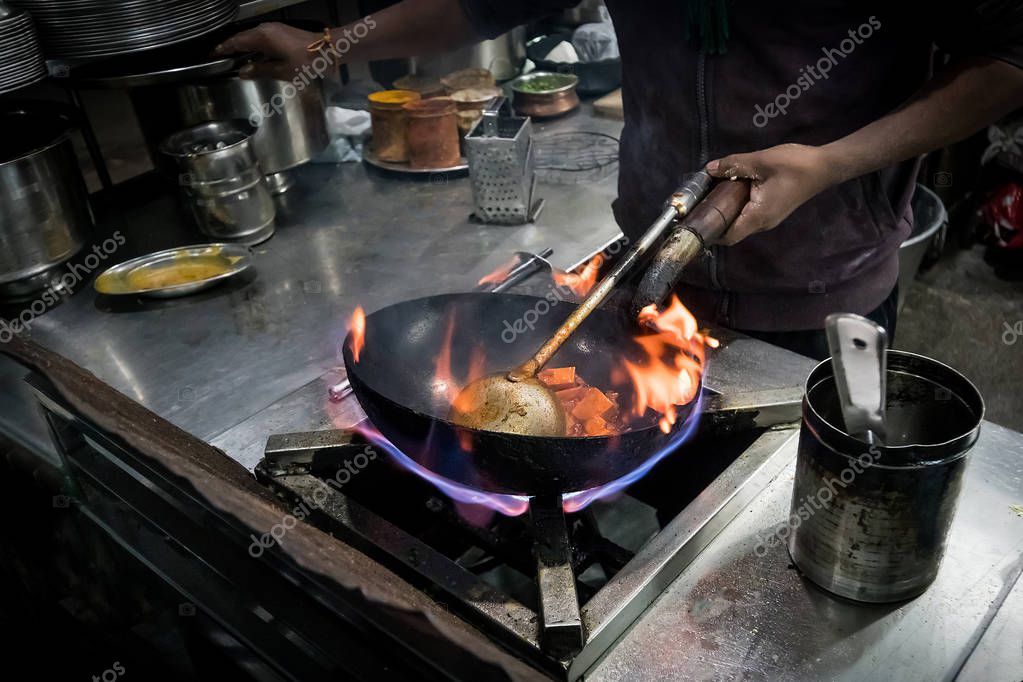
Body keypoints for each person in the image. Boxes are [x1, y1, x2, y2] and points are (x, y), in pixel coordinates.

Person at [216, 1, 1023, 359]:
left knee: (788, 535)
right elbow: (478, 4)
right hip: (653, 269)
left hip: (826, 287)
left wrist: (825, 165)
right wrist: (326, 45)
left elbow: (1004, 58)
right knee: (677, 517)